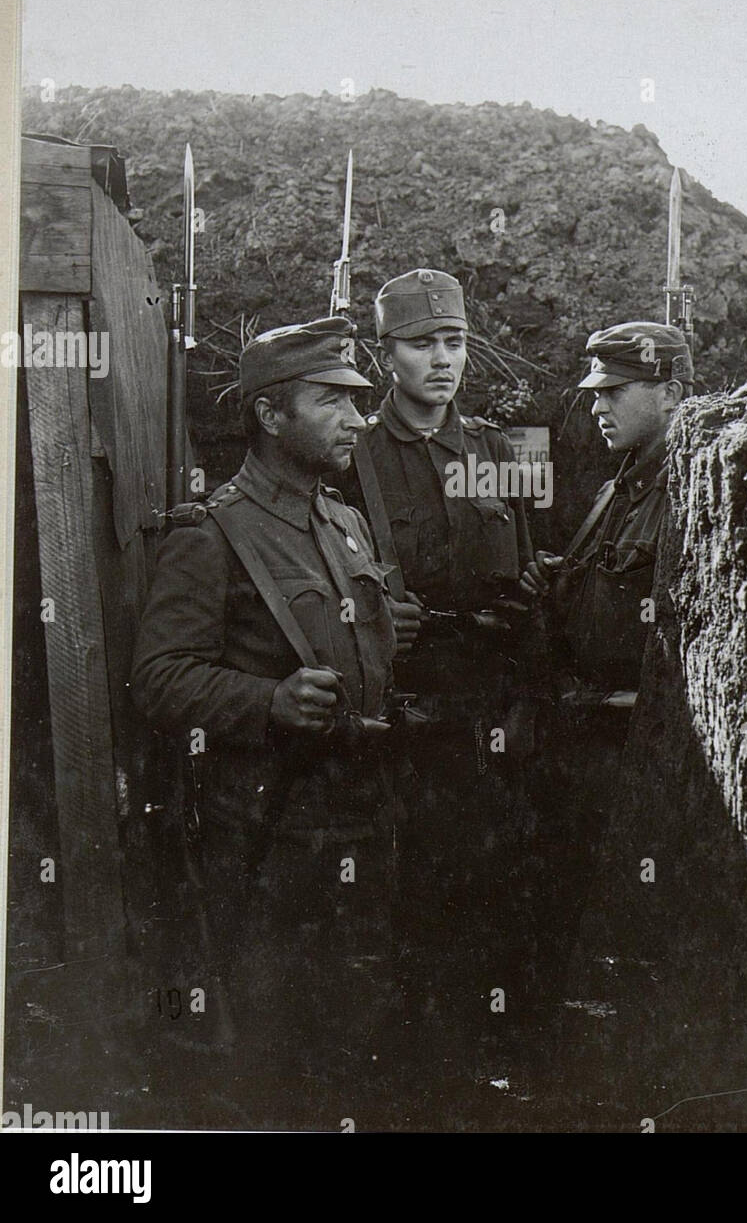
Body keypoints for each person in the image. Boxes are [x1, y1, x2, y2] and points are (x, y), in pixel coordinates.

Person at [130, 315, 403, 1129]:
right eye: (334, 402)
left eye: (360, 400)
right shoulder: (211, 535)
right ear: (270, 415)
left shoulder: (344, 522)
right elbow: (158, 676)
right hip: (265, 842)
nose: (360, 418)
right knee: (270, 1058)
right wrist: (267, 704)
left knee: (352, 1039)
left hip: (362, 820)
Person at [340, 268, 541, 1101]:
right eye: (423, 344)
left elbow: (533, 574)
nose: (443, 359)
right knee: (395, 894)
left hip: (488, 711)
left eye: (454, 341)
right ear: (386, 356)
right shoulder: (353, 457)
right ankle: (405, 1075)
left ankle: (481, 1064)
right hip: (395, 716)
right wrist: (377, 617)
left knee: (493, 887)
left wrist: (528, 681)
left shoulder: (498, 451)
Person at [519, 321, 693, 972]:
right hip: (588, 745)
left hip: (637, 754)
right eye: (594, 391)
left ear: (670, 393)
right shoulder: (617, 489)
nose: (596, 405)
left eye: (614, 391)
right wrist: (556, 579)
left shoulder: (687, 494)